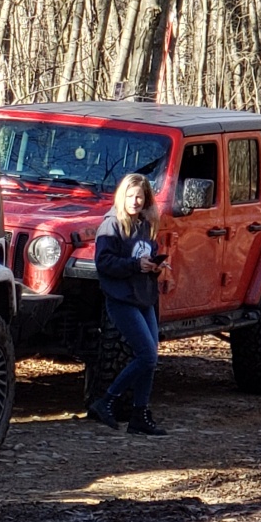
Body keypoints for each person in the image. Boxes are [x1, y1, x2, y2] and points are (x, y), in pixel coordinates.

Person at [86, 172, 168, 435]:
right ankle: (106, 401)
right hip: (121, 299)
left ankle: (139, 415)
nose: (134, 202)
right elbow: (104, 263)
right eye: (131, 196)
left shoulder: (144, 224)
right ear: (122, 196)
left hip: (144, 298)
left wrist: (155, 265)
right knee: (147, 354)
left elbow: (146, 254)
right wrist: (135, 265)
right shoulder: (110, 226)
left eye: (140, 197)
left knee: (150, 359)